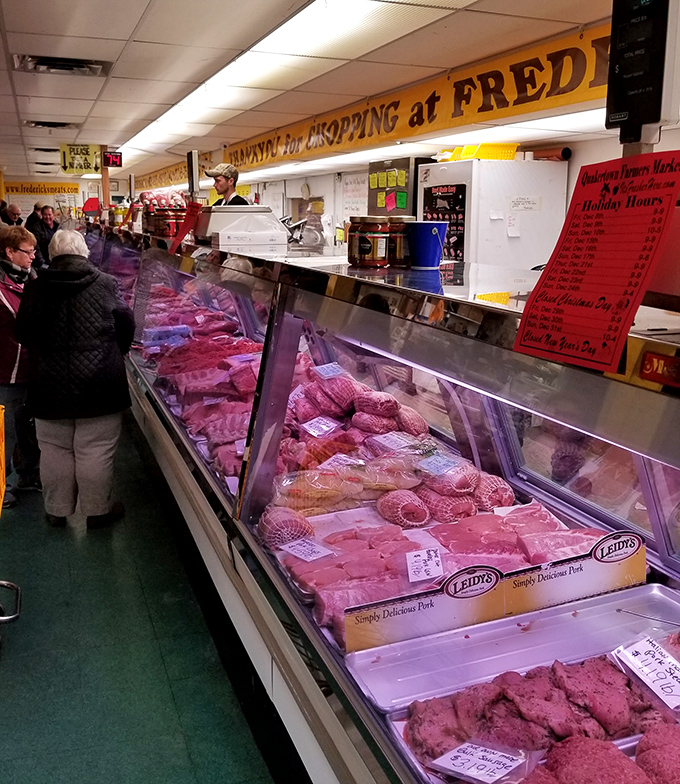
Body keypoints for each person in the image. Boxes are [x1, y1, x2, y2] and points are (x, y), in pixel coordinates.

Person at [16, 229, 135, 528]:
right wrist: (113, 352)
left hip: (47, 386)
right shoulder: (107, 284)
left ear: (53, 254)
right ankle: (96, 511)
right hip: (99, 385)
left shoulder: (34, 287)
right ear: (85, 253)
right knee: (95, 449)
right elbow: (126, 324)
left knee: (54, 449)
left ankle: (57, 510)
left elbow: (22, 334)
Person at [0, 226, 41, 508]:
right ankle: (4, 487)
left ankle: (27, 475)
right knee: (6, 431)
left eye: (34, 251)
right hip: (6, 369)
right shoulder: (2, 287)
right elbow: (17, 323)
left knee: (25, 426)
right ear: (9, 252)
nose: (33, 257)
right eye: (28, 252)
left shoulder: (29, 279)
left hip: (27, 367)